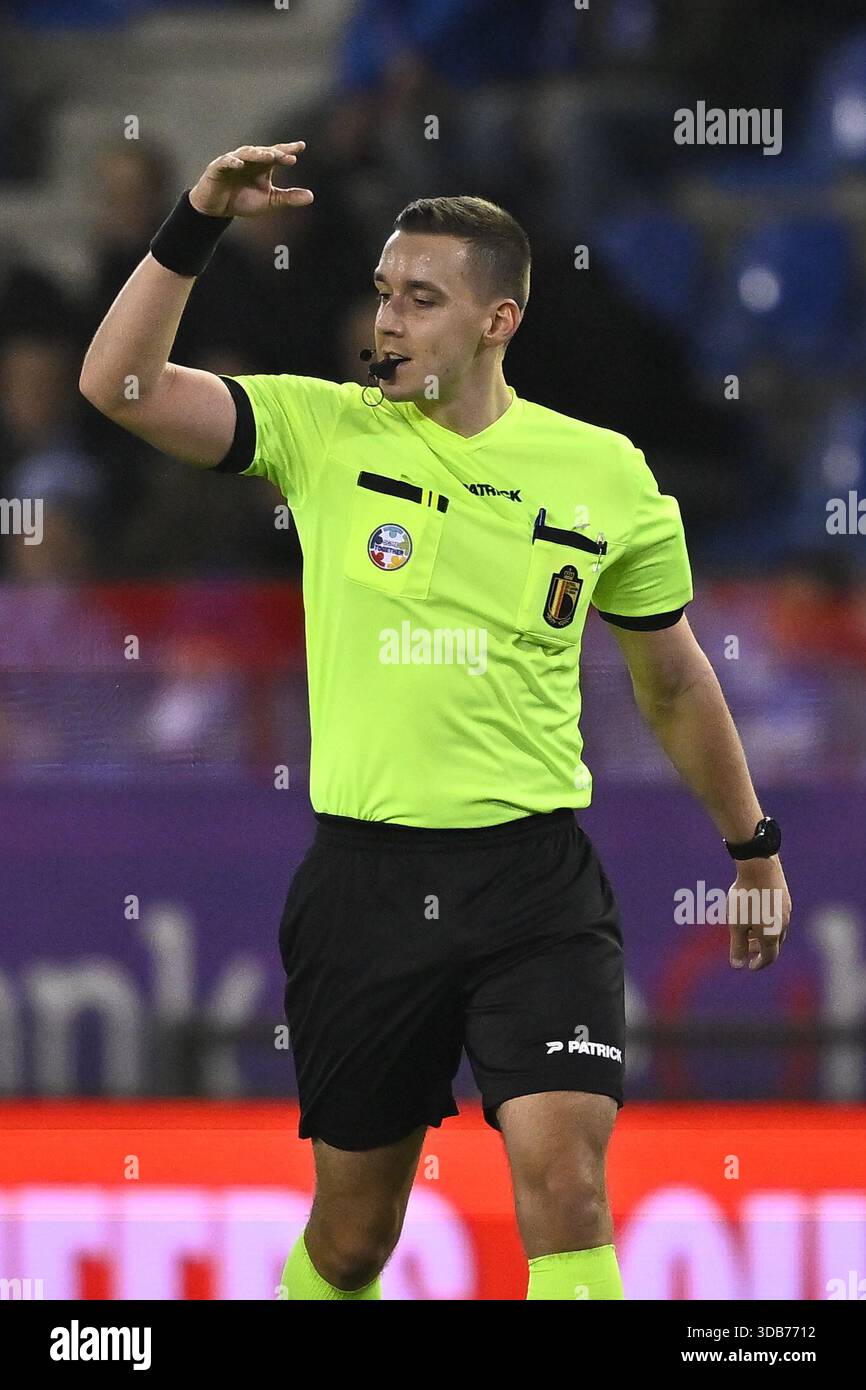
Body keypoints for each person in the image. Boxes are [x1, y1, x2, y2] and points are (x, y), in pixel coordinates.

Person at [79, 141, 792, 1301]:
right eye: (381, 293)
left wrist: (750, 846)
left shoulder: (602, 472)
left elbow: (670, 678)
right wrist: (195, 219)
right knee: (354, 1239)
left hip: (535, 881)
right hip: (364, 882)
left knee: (564, 1184)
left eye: (421, 298)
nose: (389, 321)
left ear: (497, 318)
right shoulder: (324, 432)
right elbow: (117, 386)